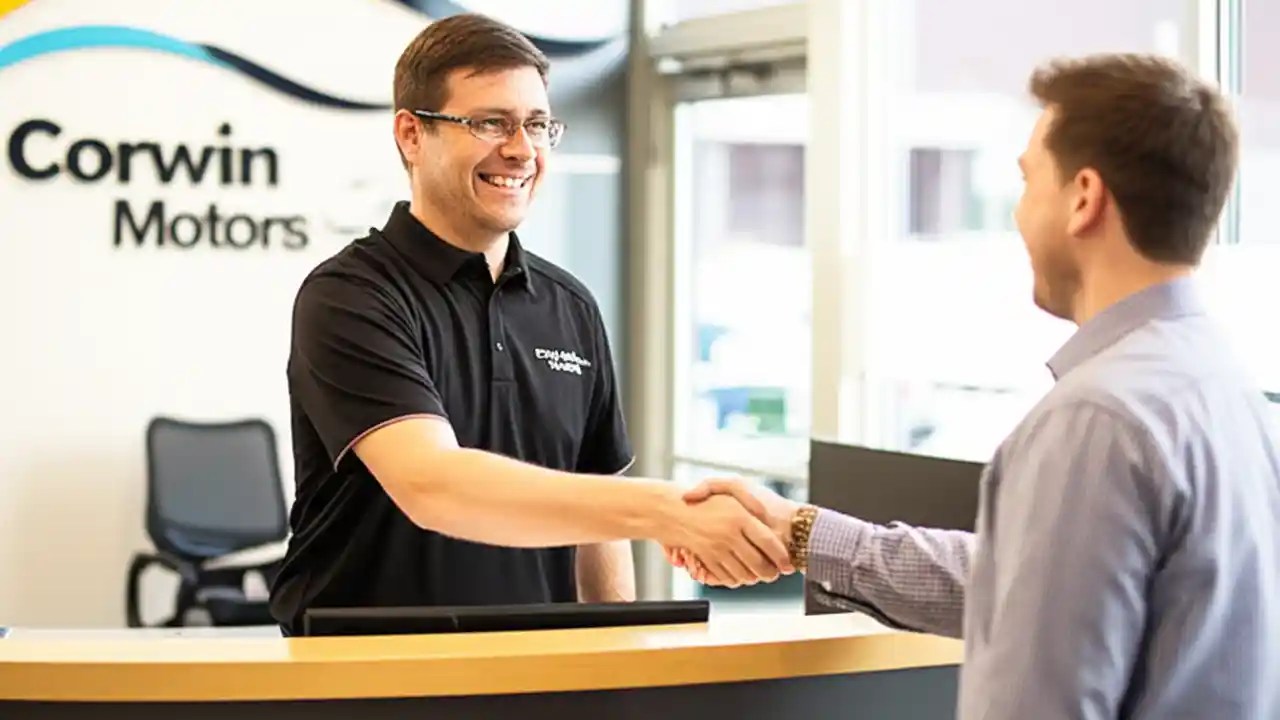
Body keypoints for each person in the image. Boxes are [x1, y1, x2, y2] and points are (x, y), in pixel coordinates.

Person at [670, 53, 1280, 719]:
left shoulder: (1097, 418)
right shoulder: (1226, 390)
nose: (1018, 214)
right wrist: (805, 534)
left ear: (1083, 198)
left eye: (1028, 180)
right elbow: (1025, 580)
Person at [268, 13, 791, 635]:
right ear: (411, 134)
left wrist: (620, 663)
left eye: (538, 124)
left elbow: (598, 524)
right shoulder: (351, 296)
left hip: (536, 667)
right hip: (370, 668)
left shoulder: (570, 306)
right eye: (490, 122)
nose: (522, 149)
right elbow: (433, 485)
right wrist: (669, 509)